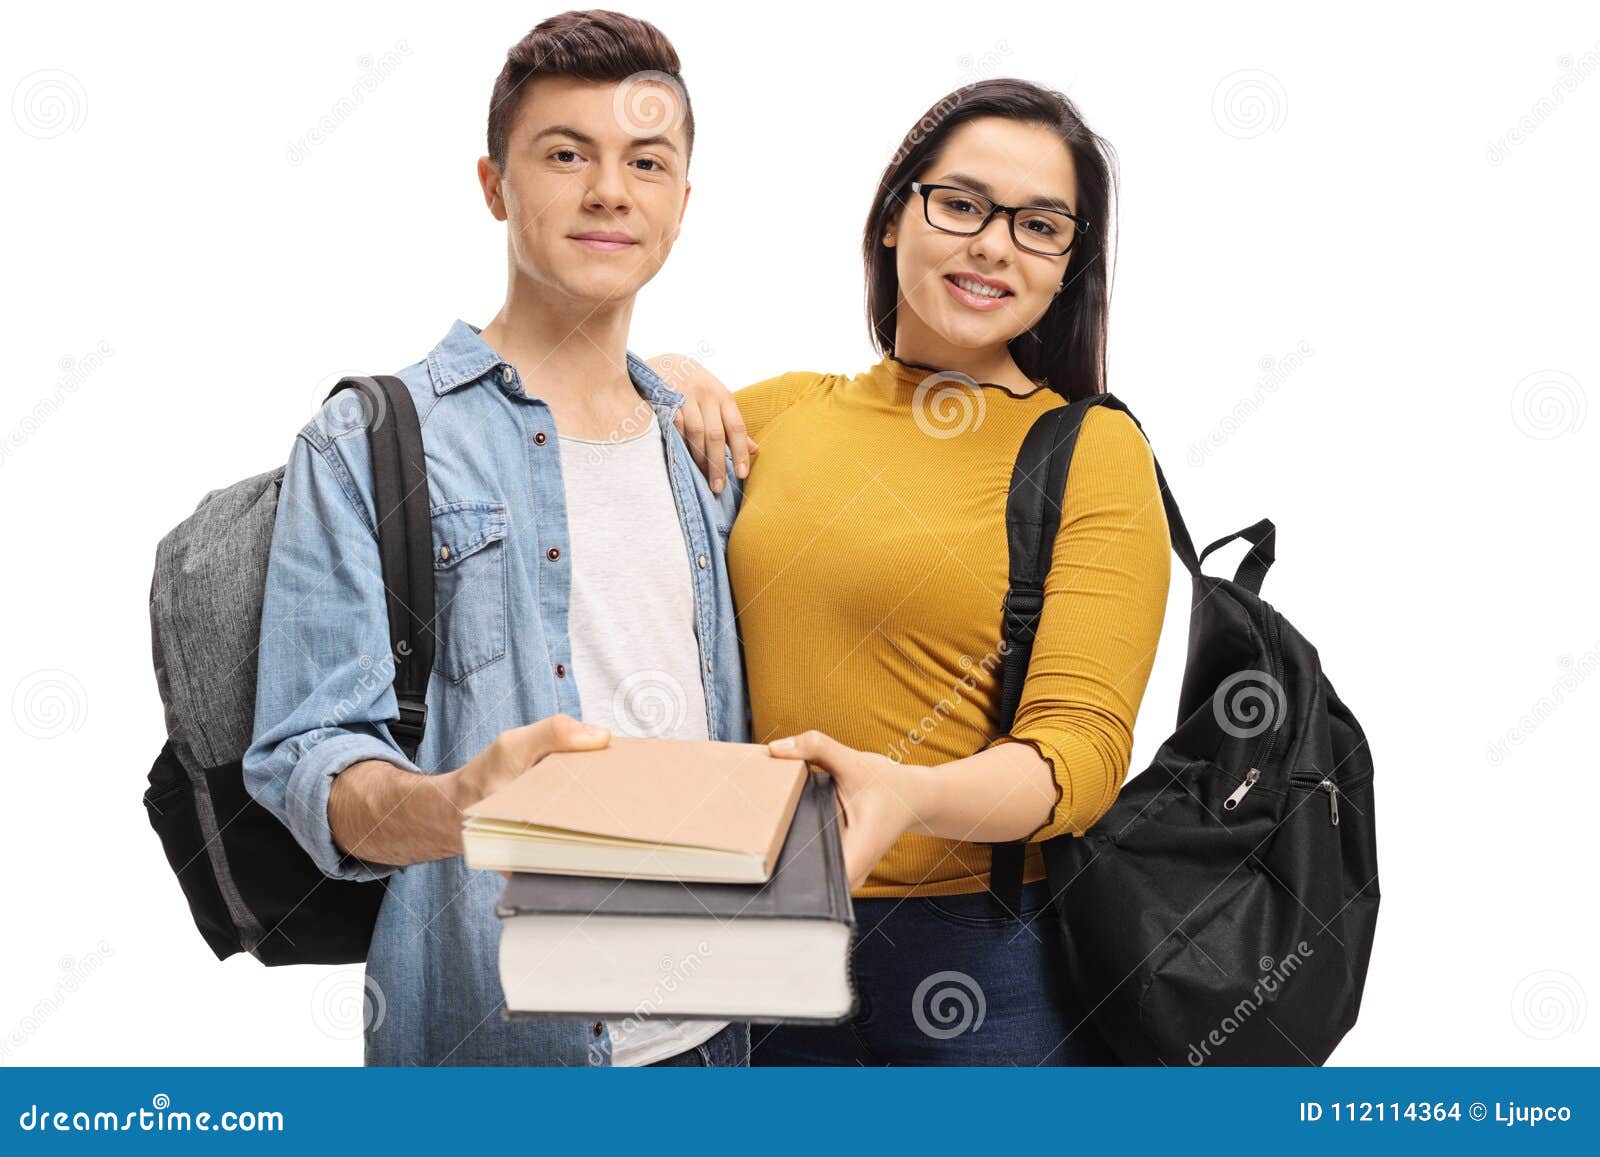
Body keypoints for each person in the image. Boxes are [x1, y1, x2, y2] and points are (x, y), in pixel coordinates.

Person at [243, 10, 751, 1067]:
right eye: (565, 154)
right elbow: (309, 756)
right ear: (494, 185)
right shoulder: (367, 440)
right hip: (499, 1035)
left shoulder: (707, 447)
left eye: (645, 161)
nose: (608, 190)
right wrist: (455, 806)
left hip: (721, 1031)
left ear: (681, 202)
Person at [657, 79, 1171, 1065]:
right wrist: (663, 373)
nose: (994, 245)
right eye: (962, 204)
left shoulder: (1091, 451)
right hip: (752, 924)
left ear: (1068, 268)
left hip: (977, 959)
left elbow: (1079, 750)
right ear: (895, 215)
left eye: (1039, 226)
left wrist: (908, 794)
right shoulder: (781, 413)